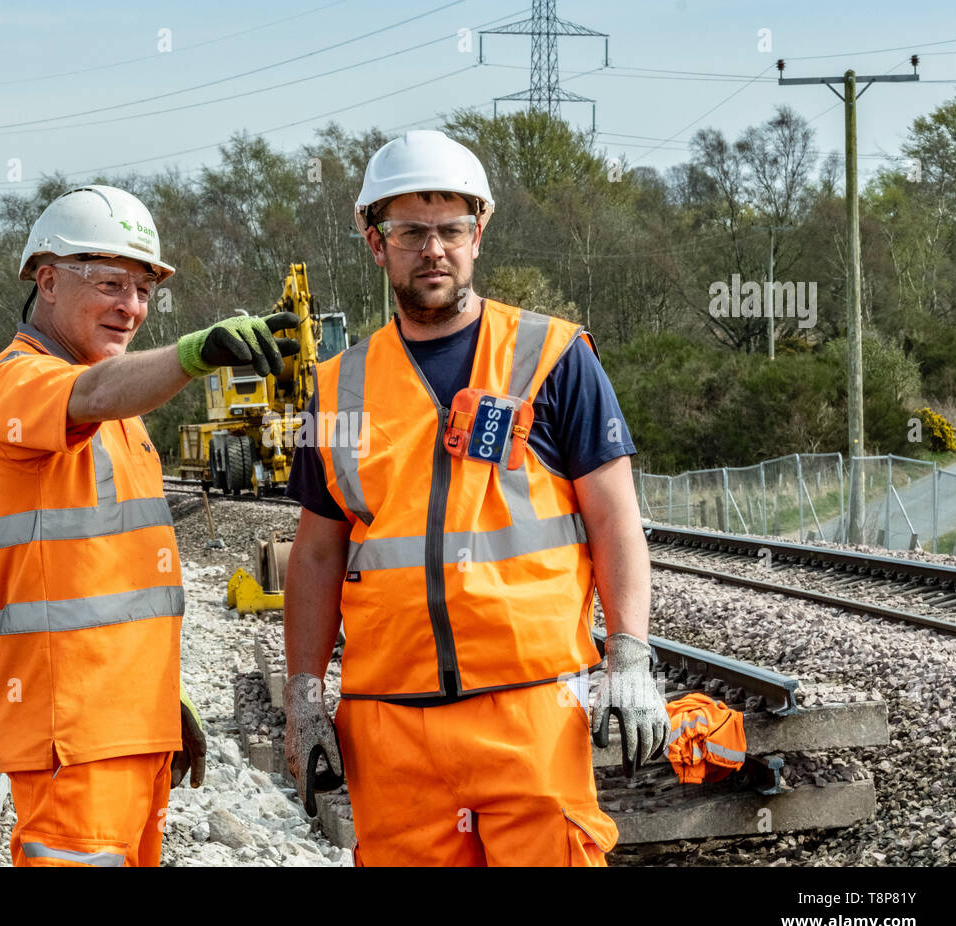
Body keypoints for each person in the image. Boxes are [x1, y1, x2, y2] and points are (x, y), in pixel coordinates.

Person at [282, 131, 669, 866]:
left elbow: (616, 518)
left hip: (532, 710)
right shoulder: (336, 388)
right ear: (376, 243)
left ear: (478, 234)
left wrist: (630, 658)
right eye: (410, 232)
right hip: (390, 726)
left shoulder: (552, 356)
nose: (434, 249)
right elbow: (316, 552)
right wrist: (305, 695)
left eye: (452, 229)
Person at [0, 184, 298, 866]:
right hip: (73, 735)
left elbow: (114, 574)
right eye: (111, 283)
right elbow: (94, 393)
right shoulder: (13, 385)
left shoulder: (121, 415)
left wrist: (160, 697)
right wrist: (196, 353)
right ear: (46, 282)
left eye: (143, 290)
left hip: (132, 731)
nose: (132, 308)